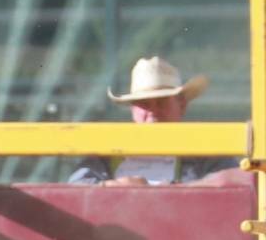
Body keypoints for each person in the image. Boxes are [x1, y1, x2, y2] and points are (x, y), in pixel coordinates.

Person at [69, 56, 252, 187]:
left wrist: (181, 191)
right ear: (133, 109)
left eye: (161, 102)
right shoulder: (108, 152)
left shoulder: (205, 151)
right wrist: (113, 187)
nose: (153, 111)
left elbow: (239, 181)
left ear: (182, 106)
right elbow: (77, 188)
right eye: (144, 103)